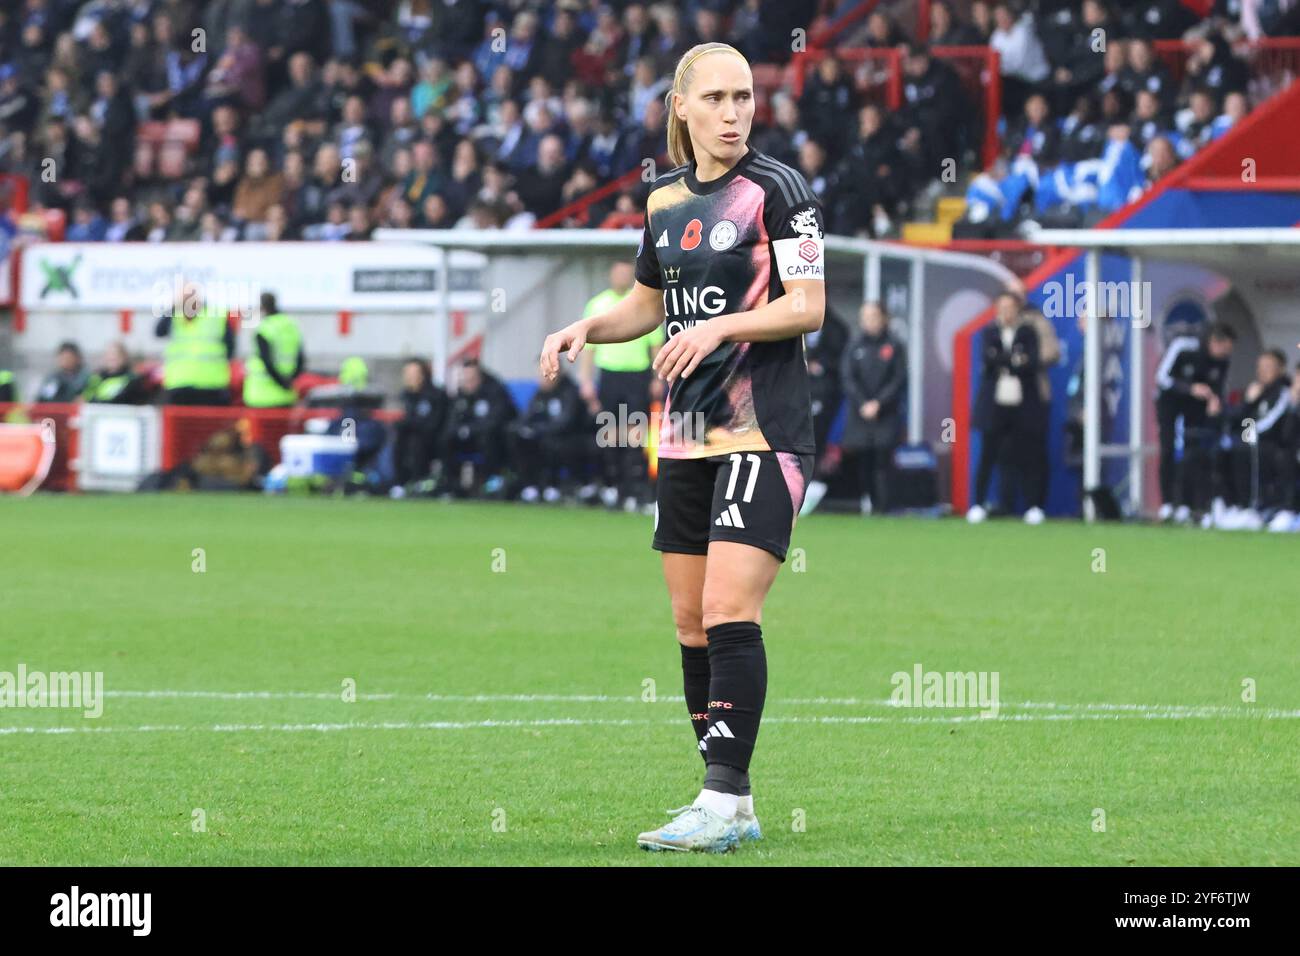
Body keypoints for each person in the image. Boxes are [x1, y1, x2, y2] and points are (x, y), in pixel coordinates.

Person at [539, 42, 825, 853]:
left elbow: (808, 306)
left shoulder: (780, 191)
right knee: (690, 622)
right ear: (684, 110)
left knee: (732, 611)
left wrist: (721, 325)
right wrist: (585, 329)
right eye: (720, 100)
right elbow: (644, 303)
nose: (736, 113)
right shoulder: (662, 199)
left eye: (745, 98)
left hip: (763, 432)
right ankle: (727, 802)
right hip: (688, 437)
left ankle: (721, 794)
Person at [577, 260, 665, 510]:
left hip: (636, 376)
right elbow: (589, 348)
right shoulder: (597, 304)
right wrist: (586, 381)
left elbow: (655, 345)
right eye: (618, 273)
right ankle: (613, 487)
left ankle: (635, 491)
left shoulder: (640, 304)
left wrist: (657, 377)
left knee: (636, 433)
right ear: (611, 276)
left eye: (627, 273)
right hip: (609, 376)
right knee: (610, 433)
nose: (622, 277)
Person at [969, 291, 1043, 524]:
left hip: (1022, 405)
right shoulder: (989, 331)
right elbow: (989, 360)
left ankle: (1033, 506)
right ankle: (978, 504)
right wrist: (1013, 360)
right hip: (994, 405)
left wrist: (1005, 360)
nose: (1007, 312)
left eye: (1011, 307)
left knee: (1026, 456)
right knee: (988, 455)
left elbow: (1031, 362)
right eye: (1002, 307)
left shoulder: (1028, 331)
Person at [1154, 320, 1235, 523]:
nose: (1225, 354)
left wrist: (1215, 401)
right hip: (1170, 405)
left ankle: (1189, 504)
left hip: (1196, 411)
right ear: (1215, 342)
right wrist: (1190, 388)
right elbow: (1162, 377)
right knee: (1169, 450)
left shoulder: (1223, 361)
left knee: (1195, 454)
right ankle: (1168, 503)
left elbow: (1219, 387)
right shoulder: (1184, 346)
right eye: (1224, 349)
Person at [840, 301, 907, 515]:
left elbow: (898, 379)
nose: (869, 321)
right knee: (863, 459)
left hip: (885, 413)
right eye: (865, 317)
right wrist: (863, 403)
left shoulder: (894, 345)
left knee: (883, 460)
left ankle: (883, 505)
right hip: (860, 412)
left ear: (884, 318)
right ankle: (866, 501)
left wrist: (879, 403)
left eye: (873, 316)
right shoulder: (854, 344)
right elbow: (848, 377)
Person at [440, 358, 517, 497]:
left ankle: (490, 484)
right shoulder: (462, 395)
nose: (468, 383)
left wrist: (470, 430)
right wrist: (460, 430)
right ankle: (451, 485)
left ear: (480, 377)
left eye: (472, 379)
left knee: (488, 438)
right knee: (446, 438)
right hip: (469, 437)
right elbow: (453, 420)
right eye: (465, 379)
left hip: (493, 438)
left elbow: (496, 421)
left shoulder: (495, 391)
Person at [508, 369, 586, 502]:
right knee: (517, 437)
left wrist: (538, 430)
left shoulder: (569, 391)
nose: (541, 379)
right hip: (544, 435)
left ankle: (552, 485)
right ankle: (529, 486)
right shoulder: (540, 393)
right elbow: (528, 416)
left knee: (551, 443)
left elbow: (566, 422)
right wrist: (526, 428)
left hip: (568, 437)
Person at [155, 281, 235, 405]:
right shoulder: (175, 315)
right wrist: (173, 307)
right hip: (179, 385)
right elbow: (159, 332)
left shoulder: (217, 316)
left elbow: (231, 348)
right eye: (184, 297)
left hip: (211, 386)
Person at [390, 358, 448, 491]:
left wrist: (408, 423)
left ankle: (419, 481)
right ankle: (399, 483)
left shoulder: (435, 395)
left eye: (412, 374)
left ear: (422, 375)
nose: (408, 377)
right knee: (398, 439)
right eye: (406, 374)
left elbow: (433, 423)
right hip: (409, 438)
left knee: (417, 441)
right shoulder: (405, 396)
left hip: (434, 439)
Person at [243, 292, 304, 408]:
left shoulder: (264, 328)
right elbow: (300, 359)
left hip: (261, 396)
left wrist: (281, 383)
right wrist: (288, 383)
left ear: (262, 307)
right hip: (286, 395)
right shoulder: (291, 325)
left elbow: (266, 360)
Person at [83, 342, 149, 404]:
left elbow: (123, 399)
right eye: (109, 354)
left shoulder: (132, 379)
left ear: (124, 357)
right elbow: (88, 397)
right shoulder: (96, 377)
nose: (112, 357)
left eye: (116, 354)